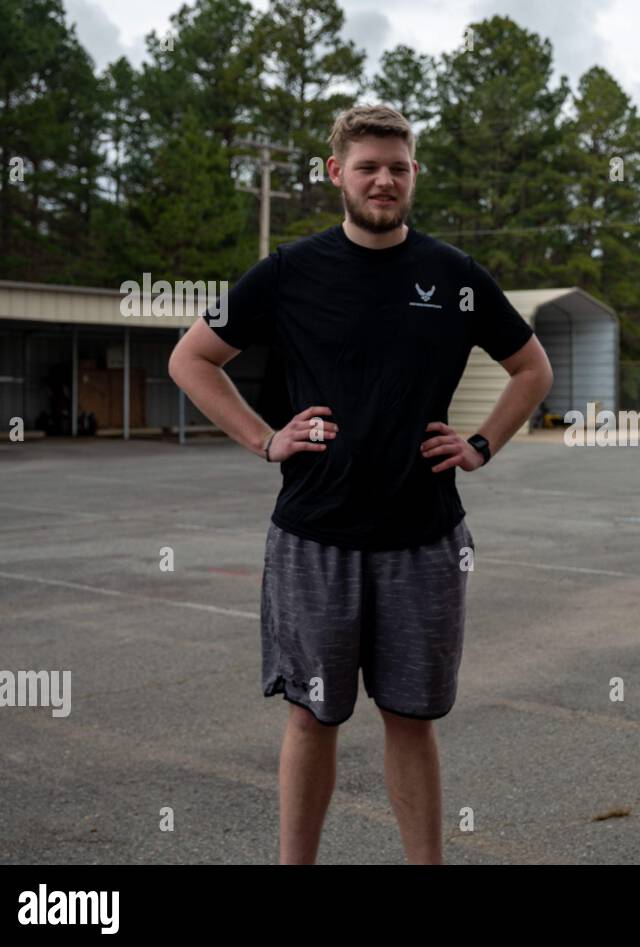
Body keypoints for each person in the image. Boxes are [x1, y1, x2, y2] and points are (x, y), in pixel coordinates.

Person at [169, 104, 553, 864]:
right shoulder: (287, 273)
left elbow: (531, 368)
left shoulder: (455, 277)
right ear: (334, 172)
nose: (384, 179)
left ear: (413, 176)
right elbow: (191, 359)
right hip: (316, 536)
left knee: (411, 719)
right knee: (313, 717)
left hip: (425, 539)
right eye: (369, 165)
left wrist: (480, 443)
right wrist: (264, 439)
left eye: (398, 167)